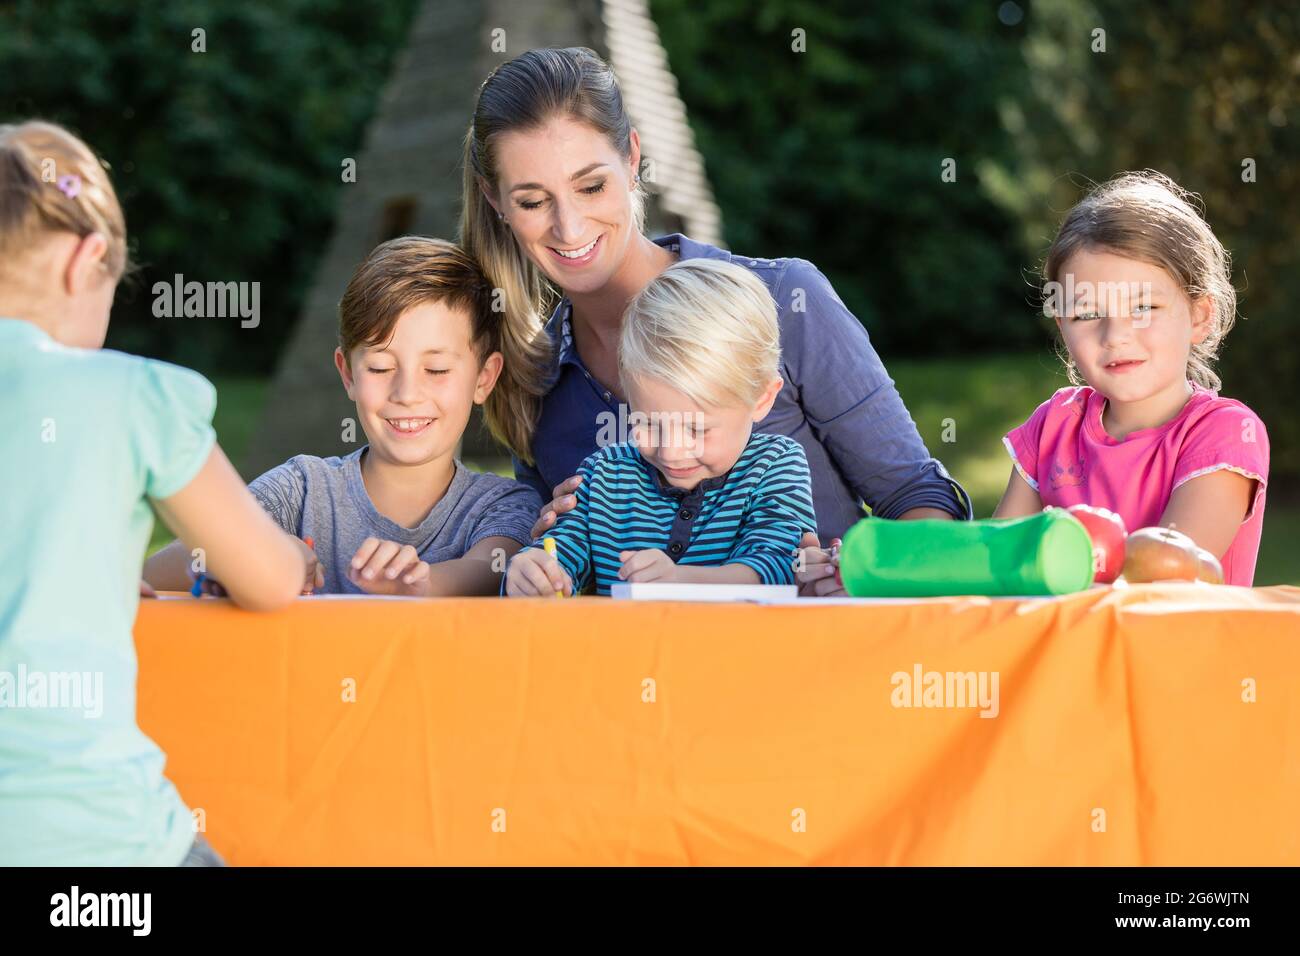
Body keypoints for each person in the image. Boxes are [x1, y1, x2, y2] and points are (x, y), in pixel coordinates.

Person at [459, 47, 970, 597]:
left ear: (632, 159)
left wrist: (873, 576)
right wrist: (546, 557)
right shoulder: (530, 372)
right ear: (496, 201)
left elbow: (921, 500)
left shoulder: (784, 301)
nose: (569, 224)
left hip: (825, 660)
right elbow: (566, 573)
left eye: (590, 187)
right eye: (533, 200)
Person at [0, 120, 307, 865]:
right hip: (94, 840)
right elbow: (267, 580)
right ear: (87, 258)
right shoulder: (128, 396)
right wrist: (292, 555)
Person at [146, 237, 541, 596]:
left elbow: (490, 569)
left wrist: (419, 583)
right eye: (381, 368)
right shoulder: (301, 490)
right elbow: (170, 562)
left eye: (436, 370)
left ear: (484, 378)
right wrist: (251, 558)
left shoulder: (503, 504)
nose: (406, 394)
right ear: (348, 374)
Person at [994, 171, 1268, 586]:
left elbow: (1163, 577)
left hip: (1175, 651)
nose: (1115, 335)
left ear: (1199, 315)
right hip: (1062, 649)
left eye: (1142, 308)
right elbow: (997, 565)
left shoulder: (1225, 433)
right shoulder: (1052, 425)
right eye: (1086, 314)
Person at [505, 259, 816, 597]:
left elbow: (780, 565)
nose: (670, 451)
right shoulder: (606, 474)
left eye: (696, 430)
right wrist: (534, 571)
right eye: (648, 424)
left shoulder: (775, 465)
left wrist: (682, 582)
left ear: (761, 399)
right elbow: (562, 549)